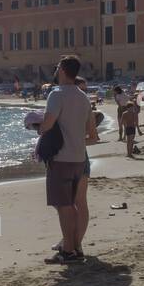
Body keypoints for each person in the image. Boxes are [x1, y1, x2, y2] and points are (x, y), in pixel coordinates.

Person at [40, 55, 99, 264]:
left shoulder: (57, 94)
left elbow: (47, 123)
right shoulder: (84, 97)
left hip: (61, 159)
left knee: (64, 206)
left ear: (63, 70)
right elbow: (93, 135)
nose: (56, 71)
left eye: (57, 67)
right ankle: (75, 247)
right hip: (79, 159)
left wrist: (38, 128)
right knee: (74, 205)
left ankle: (68, 251)